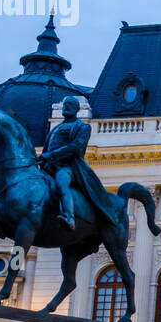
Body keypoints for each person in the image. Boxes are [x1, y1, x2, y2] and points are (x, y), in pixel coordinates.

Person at [38, 96, 114, 229]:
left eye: (70, 104)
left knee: (62, 184)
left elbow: (75, 147)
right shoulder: (56, 128)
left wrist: (51, 154)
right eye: (65, 104)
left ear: (77, 109)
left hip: (67, 167)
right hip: (49, 166)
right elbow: (47, 147)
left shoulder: (82, 127)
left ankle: (69, 217)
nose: (66, 106)